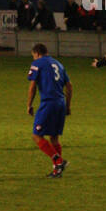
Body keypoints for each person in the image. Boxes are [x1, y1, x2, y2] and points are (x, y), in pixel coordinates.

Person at [27, 42, 71, 175]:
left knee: (36, 135)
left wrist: (29, 104)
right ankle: (57, 170)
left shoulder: (38, 63)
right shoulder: (59, 64)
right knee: (54, 138)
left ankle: (58, 160)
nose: (34, 59)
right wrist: (68, 106)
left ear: (37, 53)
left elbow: (32, 86)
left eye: (33, 56)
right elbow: (69, 86)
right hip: (60, 103)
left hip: (48, 104)